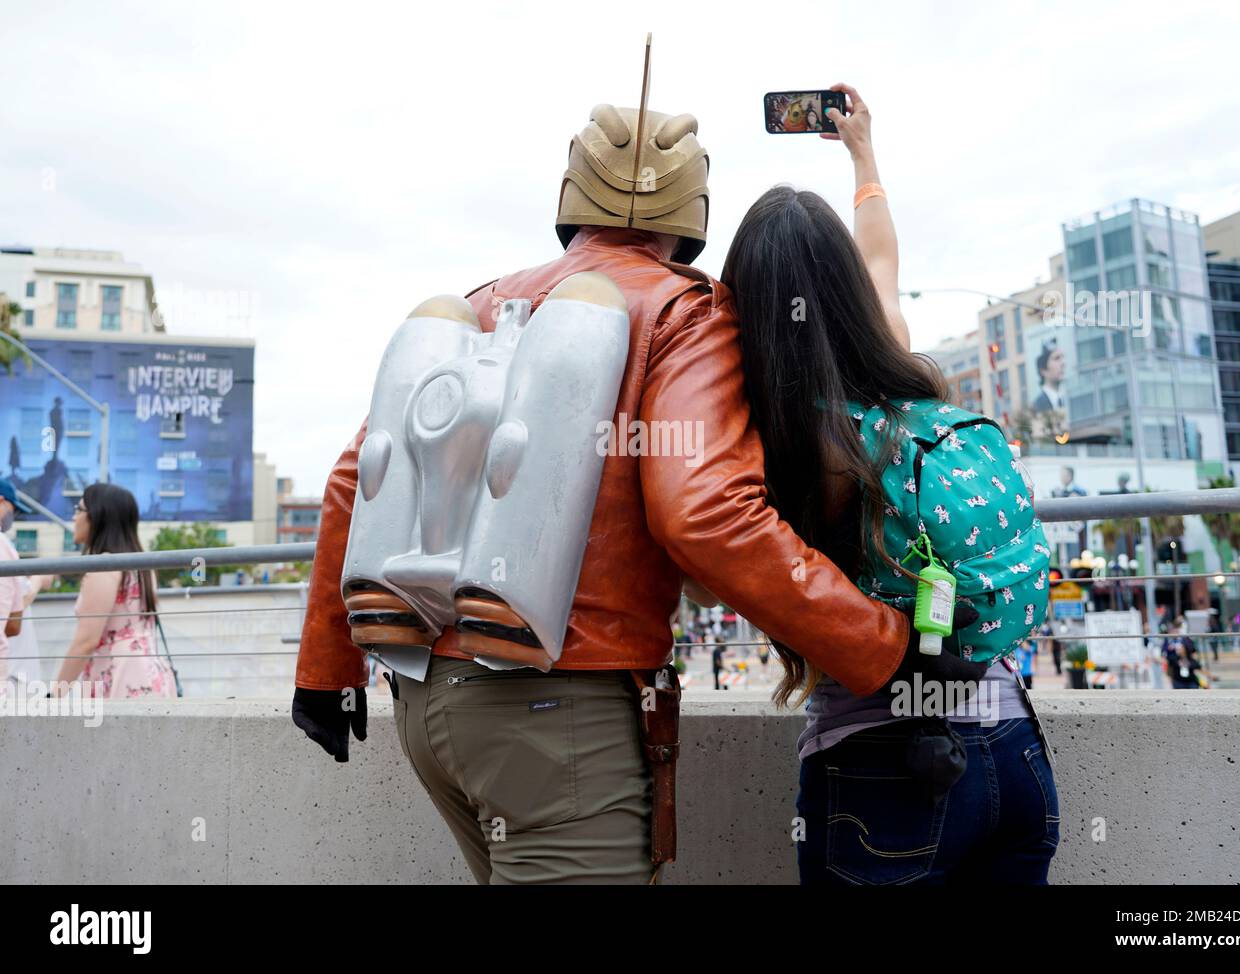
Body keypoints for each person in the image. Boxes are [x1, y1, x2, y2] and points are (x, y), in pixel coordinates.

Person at [292, 83, 942, 885]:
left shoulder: (484, 304)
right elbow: (705, 513)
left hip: (426, 706)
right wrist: (884, 647)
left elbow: (356, 478)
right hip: (560, 716)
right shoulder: (685, 313)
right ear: (691, 215)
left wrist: (324, 672)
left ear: (571, 196)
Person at [719, 82, 1057, 884]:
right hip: (1012, 746)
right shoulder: (894, 362)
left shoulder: (785, 435)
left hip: (884, 767)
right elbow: (879, 256)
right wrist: (863, 154)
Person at [51, 483, 176, 698]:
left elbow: (85, 642)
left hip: (119, 679)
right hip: (149, 676)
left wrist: (54, 696)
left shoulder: (103, 568)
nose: (74, 518)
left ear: (98, 516)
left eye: (79, 510)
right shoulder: (142, 566)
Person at [0, 477, 34, 686]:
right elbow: (13, 626)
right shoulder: (3, 547)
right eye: (14, 510)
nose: (15, 517)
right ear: (1, 502)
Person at [1031, 341, 1066, 413]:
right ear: (1043, 370)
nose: (1063, 363)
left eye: (1062, 357)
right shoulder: (1036, 407)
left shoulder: (1067, 400)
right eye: (1057, 358)